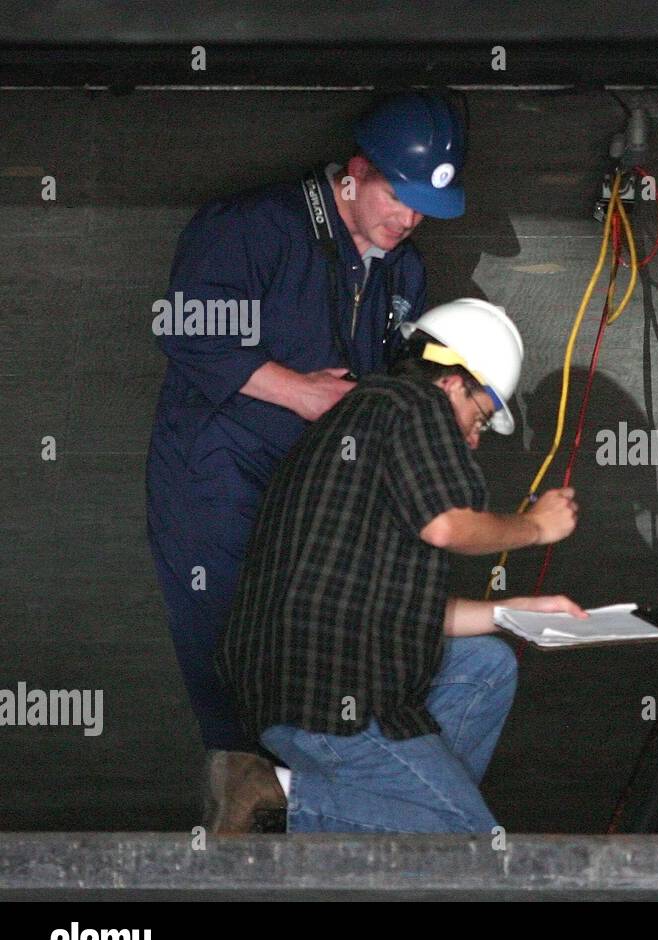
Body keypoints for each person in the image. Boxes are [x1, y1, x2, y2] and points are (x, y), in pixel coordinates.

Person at [146, 92, 468, 830]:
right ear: (355, 174)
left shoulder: (402, 270)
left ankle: (309, 826)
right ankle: (241, 821)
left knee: (315, 674)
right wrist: (301, 393)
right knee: (236, 667)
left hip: (315, 500)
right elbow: (186, 330)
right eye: (401, 198)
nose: (410, 219)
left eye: (425, 208)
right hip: (218, 480)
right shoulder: (253, 226)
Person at [216, 299, 584, 833]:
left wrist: (511, 610)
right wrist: (536, 527)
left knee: (487, 664)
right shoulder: (417, 403)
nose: (475, 439)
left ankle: (402, 826)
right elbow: (448, 526)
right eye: (479, 417)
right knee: (473, 842)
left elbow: (397, 607)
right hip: (333, 683)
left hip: (289, 672)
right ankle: (276, 798)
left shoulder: (357, 422)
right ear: (454, 382)